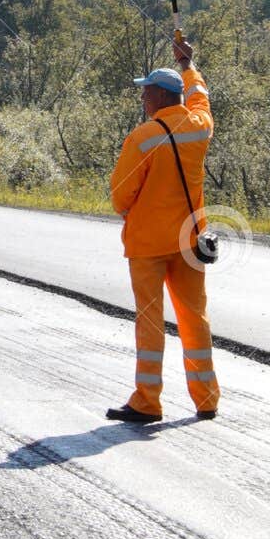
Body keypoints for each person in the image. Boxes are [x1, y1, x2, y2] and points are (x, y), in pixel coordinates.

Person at [104, 37, 219, 423]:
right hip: (189, 242)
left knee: (150, 322)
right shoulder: (200, 127)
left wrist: (127, 211)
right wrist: (188, 63)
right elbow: (201, 96)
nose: (143, 99)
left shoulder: (143, 138)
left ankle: (147, 401)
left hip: (148, 244)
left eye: (146, 92)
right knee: (194, 318)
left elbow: (121, 195)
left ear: (157, 97)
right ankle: (206, 399)